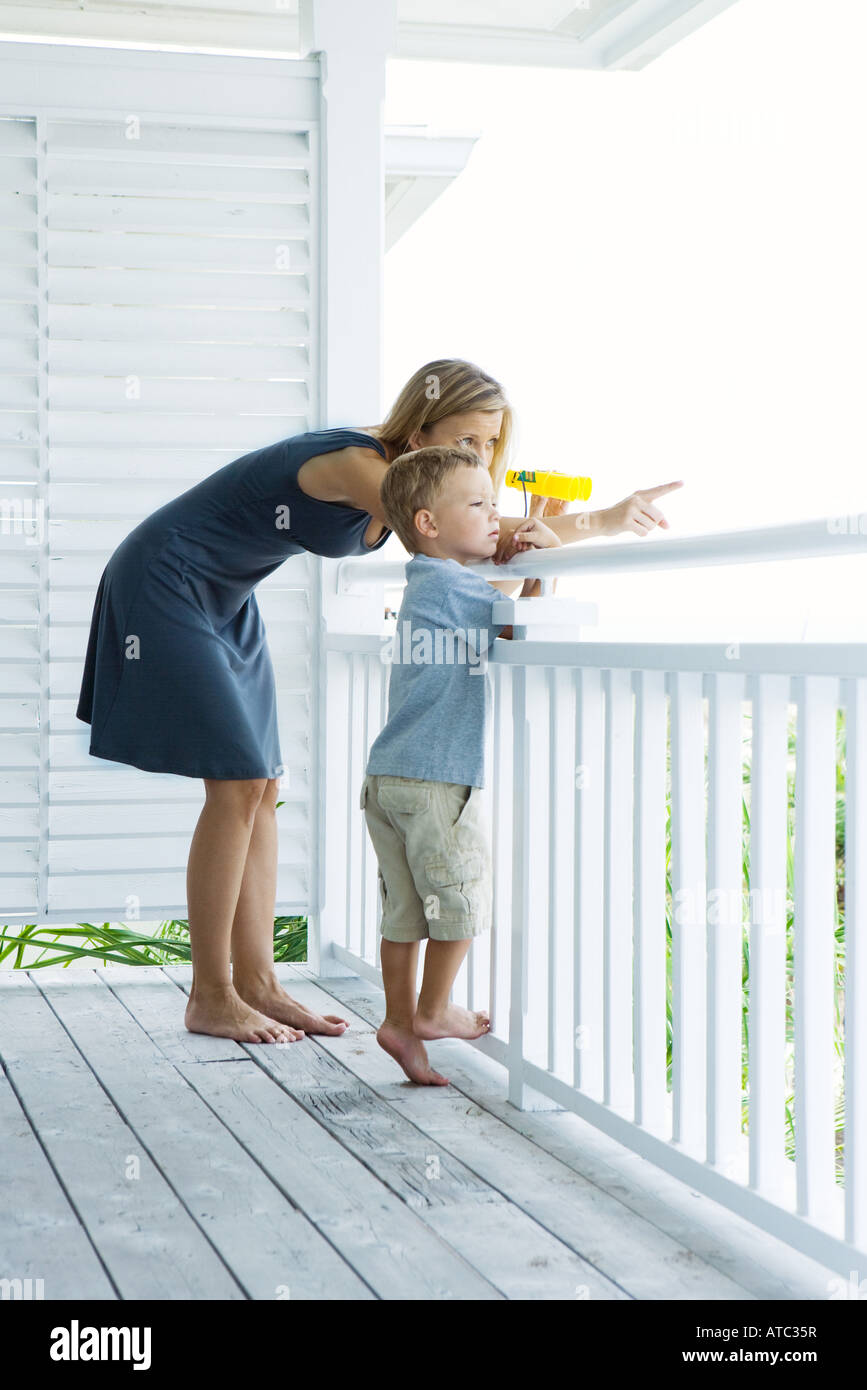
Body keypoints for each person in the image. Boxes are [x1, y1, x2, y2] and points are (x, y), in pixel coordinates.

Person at [76, 356, 682, 1045]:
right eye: (464, 440)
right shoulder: (361, 465)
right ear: (417, 426)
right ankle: (210, 993)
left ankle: (259, 983)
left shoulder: (417, 477)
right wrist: (600, 520)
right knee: (238, 780)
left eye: (489, 444)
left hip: (225, 597)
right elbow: (469, 532)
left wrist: (564, 527)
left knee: (262, 785)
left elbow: (477, 532)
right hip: (168, 576)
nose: (477, 456)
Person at [360, 443, 561, 1084]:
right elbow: (519, 625)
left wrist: (517, 563)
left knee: (404, 915)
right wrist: (543, 567)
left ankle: (398, 1022)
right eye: (478, 504)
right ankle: (435, 1009)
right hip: (438, 780)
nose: (494, 516)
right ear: (428, 523)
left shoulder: (428, 582)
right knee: (461, 902)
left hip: (388, 777)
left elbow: (494, 612)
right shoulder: (455, 586)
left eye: (496, 503)